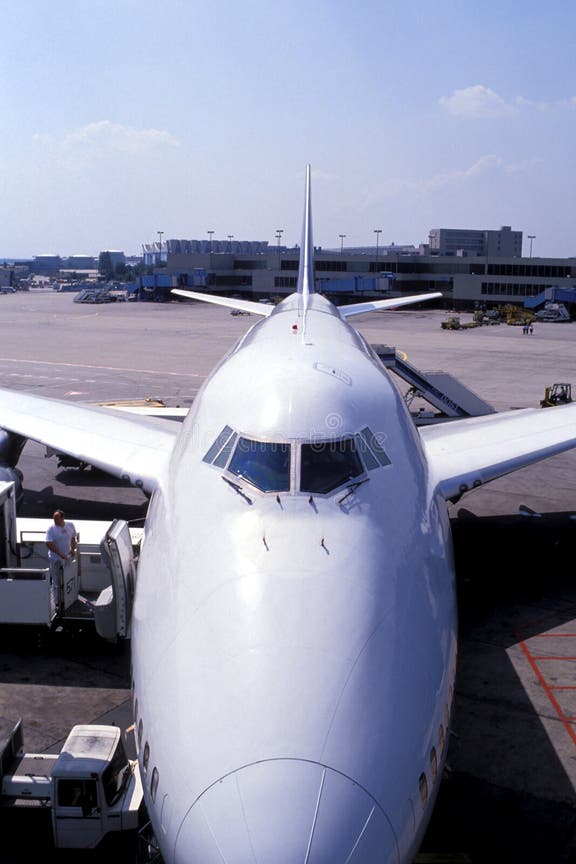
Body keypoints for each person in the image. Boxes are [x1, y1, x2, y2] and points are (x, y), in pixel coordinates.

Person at [46, 510, 77, 612]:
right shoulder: (51, 529)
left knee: (67, 578)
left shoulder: (70, 525)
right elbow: (49, 543)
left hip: (67, 557)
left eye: (57, 518)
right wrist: (60, 554)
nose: (54, 520)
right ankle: (57, 603)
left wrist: (72, 549)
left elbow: (73, 537)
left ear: (63, 518)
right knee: (56, 580)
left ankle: (67, 599)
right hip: (55, 558)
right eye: (54, 518)